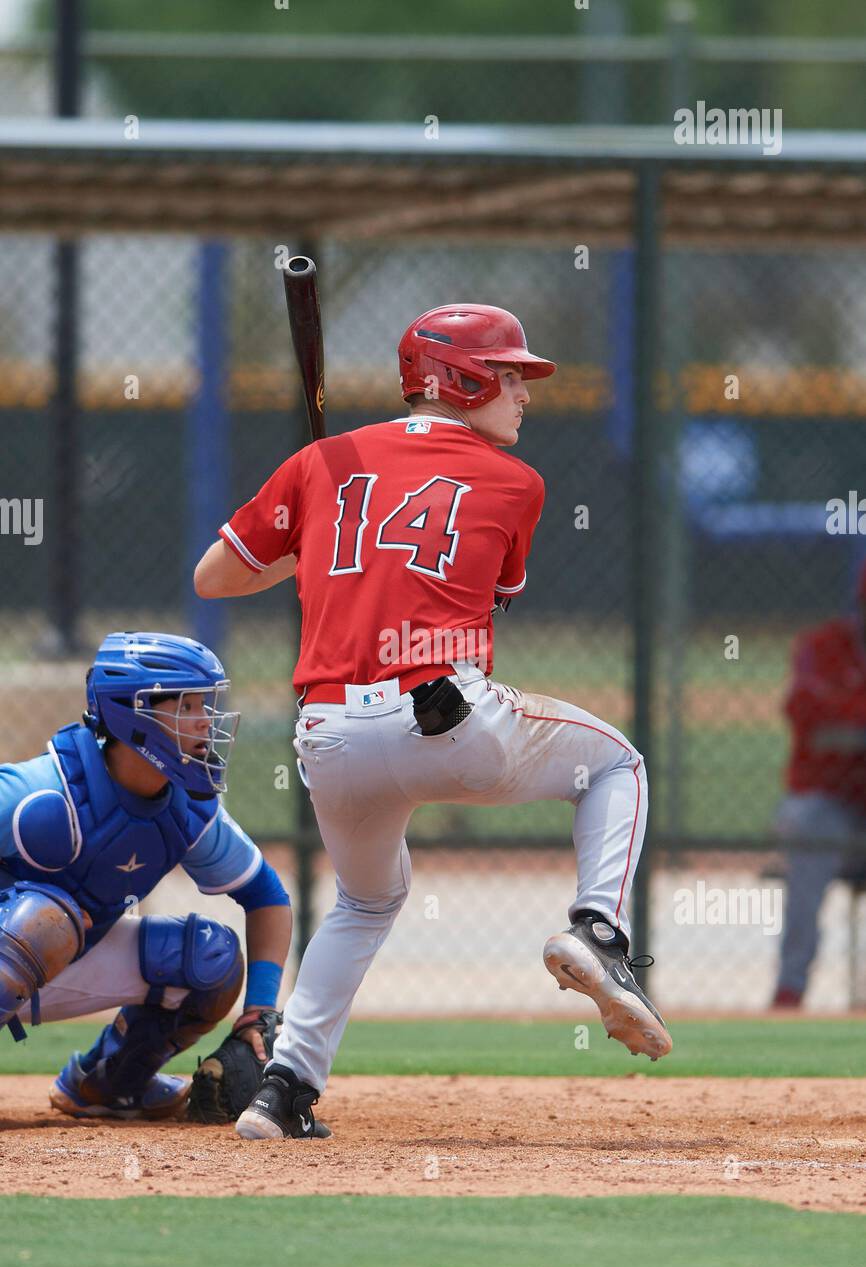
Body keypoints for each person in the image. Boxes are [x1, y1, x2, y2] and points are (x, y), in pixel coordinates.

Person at [195, 302, 672, 1141]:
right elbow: (486, 598)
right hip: (445, 717)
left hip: (329, 736)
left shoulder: (321, 461)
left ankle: (283, 1092)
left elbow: (214, 578)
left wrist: (306, 542)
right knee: (616, 765)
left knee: (364, 902)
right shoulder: (518, 482)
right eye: (512, 374)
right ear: (464, 378)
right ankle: (599, 931)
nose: (524, 392)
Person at [0, 631, 293, 1118]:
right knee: (44, 920)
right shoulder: (41, 796)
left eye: (206, 704)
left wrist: (260, 1011)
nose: (206, 721)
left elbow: (268, 897)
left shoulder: (186, 812)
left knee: (209, 960)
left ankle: (108, 1084)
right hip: (18, 946)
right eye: (186, 706)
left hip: (59, 960)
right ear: (128, 715)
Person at [772, 560, 866, 1007]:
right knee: (806, 820)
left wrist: (848, 725)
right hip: (828, 802)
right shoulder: (824, 646)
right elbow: (807, 715)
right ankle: (791, 990)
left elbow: (835, 724)